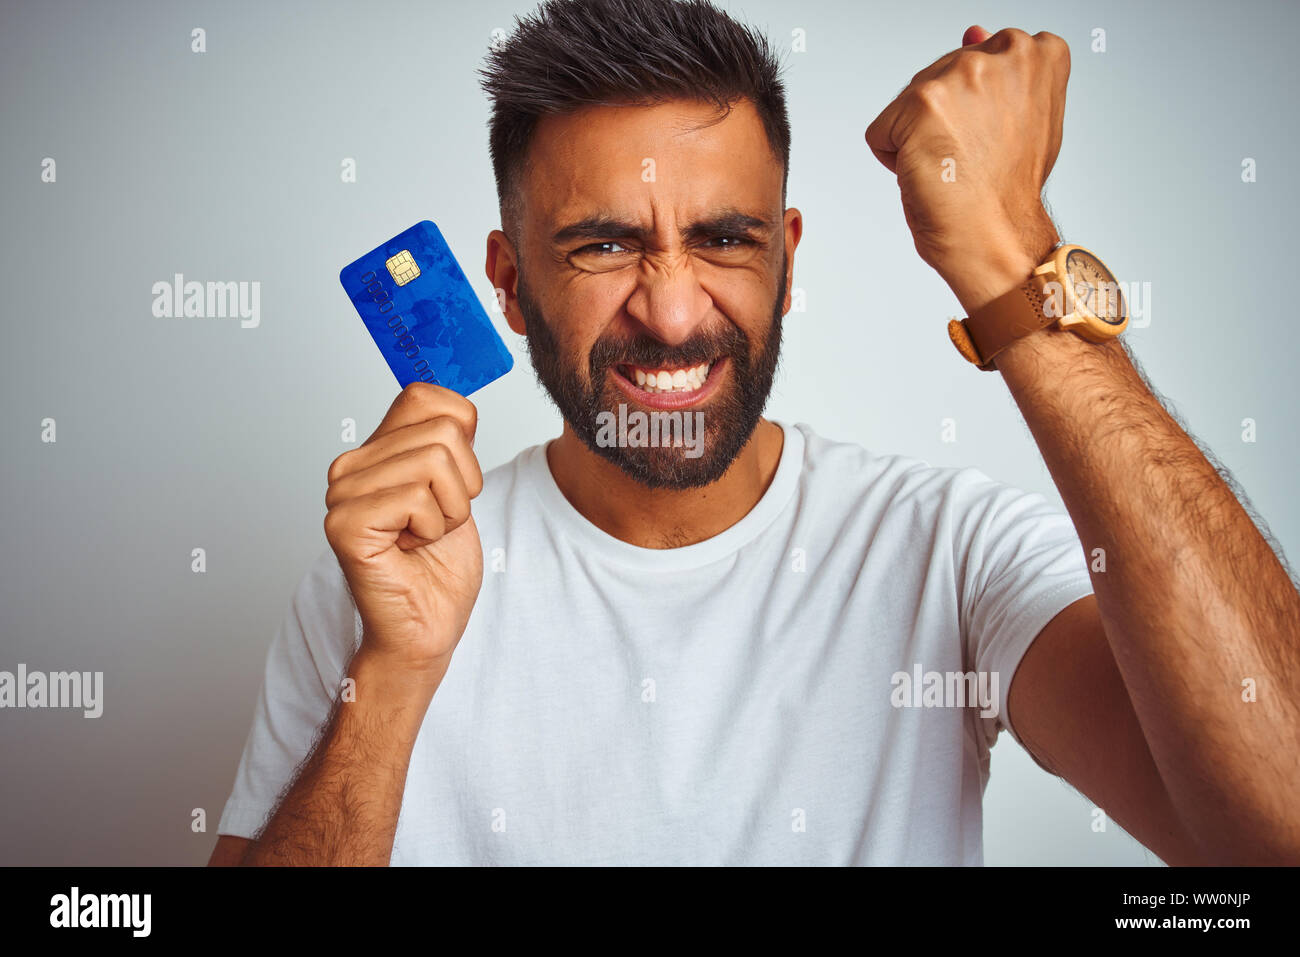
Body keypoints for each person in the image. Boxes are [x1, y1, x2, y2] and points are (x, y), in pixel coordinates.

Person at [209, 0, 1300, 865]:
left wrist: (1011, 257)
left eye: (724, 239)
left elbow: (1275, 833)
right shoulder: (383, 586)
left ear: (786, 256)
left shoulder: (951, 555)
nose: (673, 312)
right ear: (508, 282)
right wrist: (396, 673)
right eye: (601, 246)